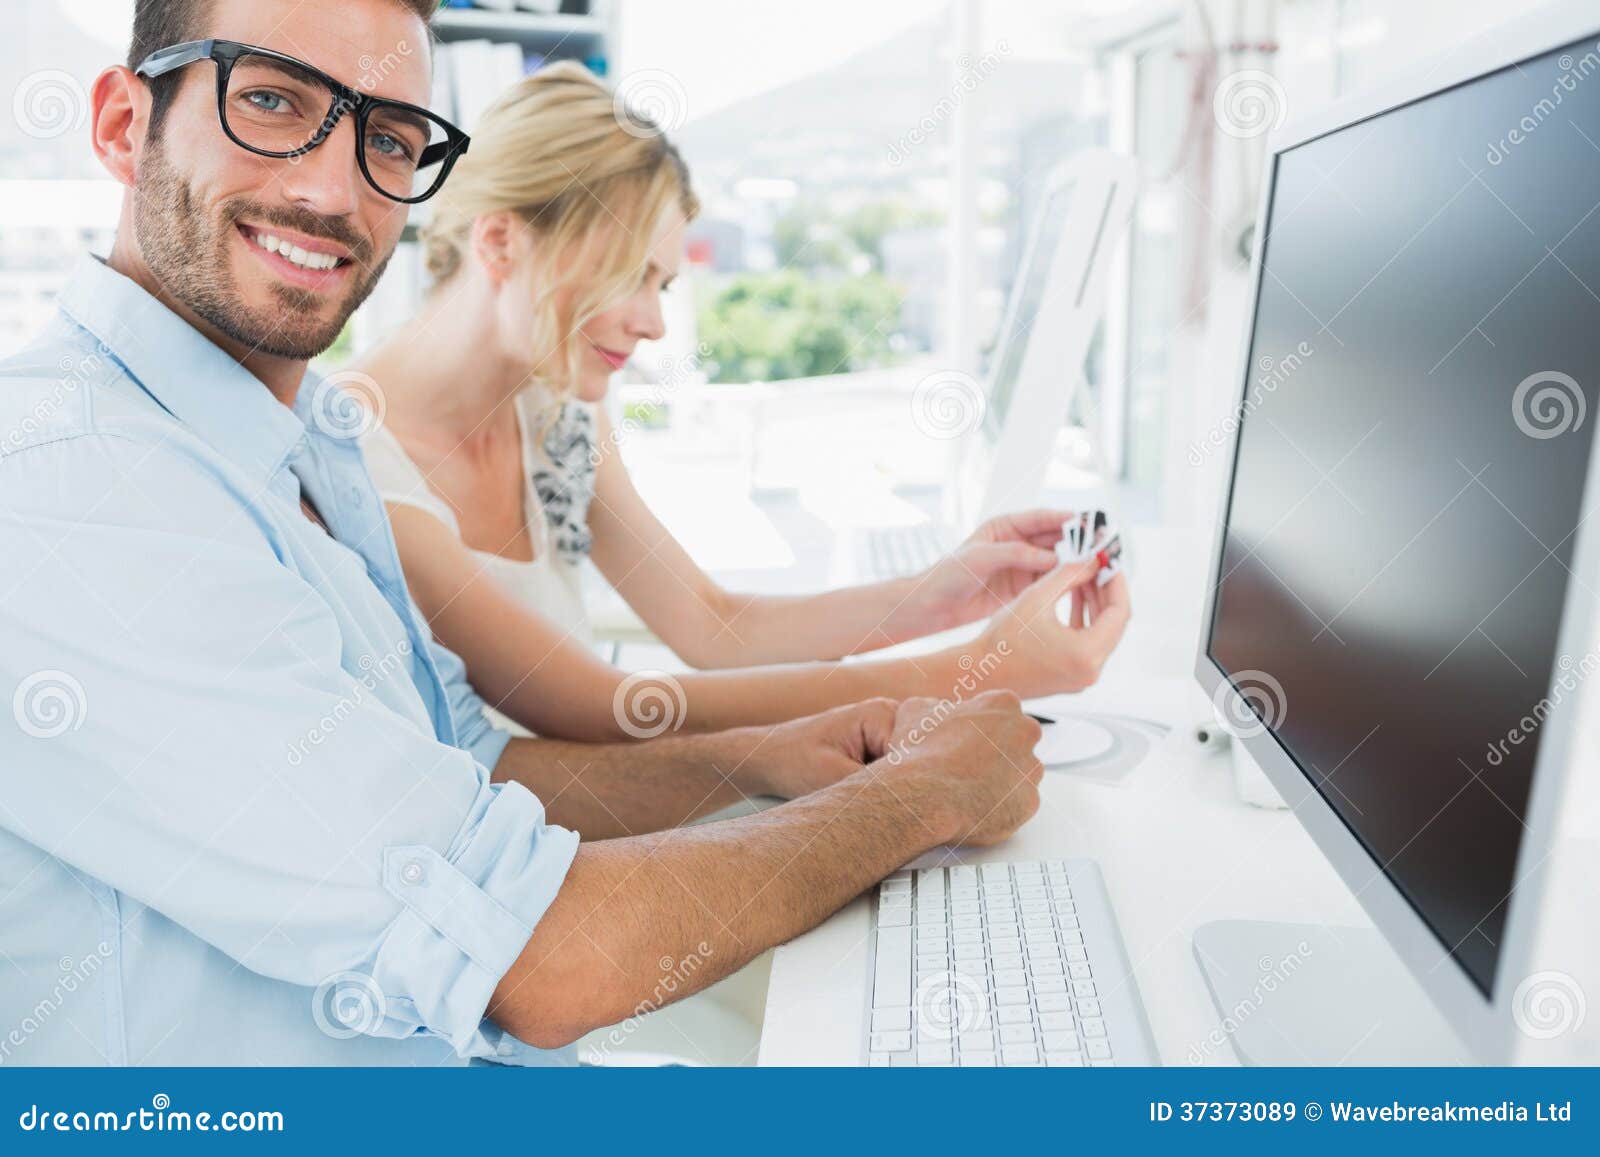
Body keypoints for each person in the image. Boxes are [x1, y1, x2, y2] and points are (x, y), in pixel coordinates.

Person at [0, 0, 1065, 1067]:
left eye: (386, 140)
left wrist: (763, 758)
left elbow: (462, 767)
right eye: (271, 101)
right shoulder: (78, 483)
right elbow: (539, 958)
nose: (332, 189)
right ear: (119, 124)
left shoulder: (300, 439)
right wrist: (922, 791)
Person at [356, 62, 1131, 743]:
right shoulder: (359, 453)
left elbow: (713, 624)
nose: (654, 323)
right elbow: (598, 705)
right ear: (499, 243)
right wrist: (974, 670)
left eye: (662, 285)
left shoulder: (556, 407)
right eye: (632, 275)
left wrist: (941, 593)